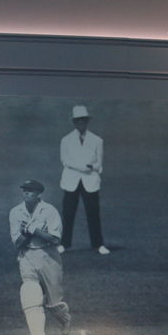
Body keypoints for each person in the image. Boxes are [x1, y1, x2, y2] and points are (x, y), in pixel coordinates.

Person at [9, 179, 72, 335]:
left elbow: (55, 239)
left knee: (53, 304)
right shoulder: (15, 212)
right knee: (31, 300)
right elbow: (17, 244)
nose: (26, 193)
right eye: (24, 190)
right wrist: (27, 233)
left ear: (38, 194)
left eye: (30, 190)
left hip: (49, 257)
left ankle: (65, 319)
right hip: (27, 256)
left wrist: (35, 230)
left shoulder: (50, 211)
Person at [59, 105, 110, 255]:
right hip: (71, 181)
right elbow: (65, 160)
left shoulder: (97, 140)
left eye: (84, 120)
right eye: (78, 120)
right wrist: (83, 167)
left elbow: (99, 163)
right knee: (68, 213)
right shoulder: (66, 140)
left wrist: (92, 167)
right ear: (74, 122)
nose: (81, 123)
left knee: (93, 213)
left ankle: (98, 244)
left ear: (87, 121)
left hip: (90, 181)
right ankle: (64, 244)